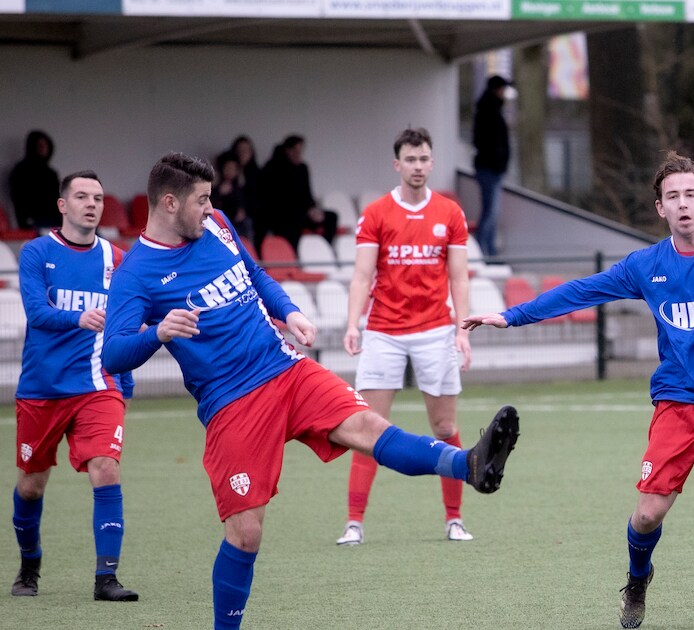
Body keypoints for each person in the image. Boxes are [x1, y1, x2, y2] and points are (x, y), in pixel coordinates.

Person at [101, 152, 519, 629]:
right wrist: (157, 333)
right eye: (201, 200)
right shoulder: (136, 273)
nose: (211, 207)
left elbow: (254, 274)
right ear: (170, 203)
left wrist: (290, 310)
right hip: (232, 403)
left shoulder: (215, 224)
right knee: (245, 534)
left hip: (286, 368)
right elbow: (113, 354)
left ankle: (467, 463)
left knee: (369, 426)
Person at [463, 151, 694, 630]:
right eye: (672, 196)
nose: (683, 204)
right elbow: (581, 290)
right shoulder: (646, 266)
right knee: (647, 515)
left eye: (690, 196)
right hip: (677, 403)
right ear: (660, 208)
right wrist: (511, 315)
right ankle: (638, 579)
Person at [337, 127, 476, 545]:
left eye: (424, 159)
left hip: (435, 330)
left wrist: (463, 330)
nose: (418, 166)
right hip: (384, 332)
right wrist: (352, 323)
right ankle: (354, 524)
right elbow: (362, 275)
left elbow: (458, 276)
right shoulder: (377, 213)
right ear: (397, 164)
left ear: (432, 163)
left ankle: (454, 519)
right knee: (368, 427)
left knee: (445, 424)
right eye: (410, 159)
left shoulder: (450, 213)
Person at [11, 170, 138, 601]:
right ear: (63, 205)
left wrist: (127, 374)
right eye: (82, 196)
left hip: (98, 385)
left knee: (106, 467)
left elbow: (125, 322)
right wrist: (77, 318)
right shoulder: (36, 252)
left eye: (99, 198)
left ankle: (107, 578)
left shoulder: (118, 259)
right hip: (42, 389)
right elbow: (35, 312)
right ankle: (30, 565)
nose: (92, 204)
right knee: (32, 483)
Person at [258, 134, 337, 253]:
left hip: (303, 213)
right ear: (287, 150)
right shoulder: (273, 168)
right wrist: (305, 210)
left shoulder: (302, 168)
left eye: (300, 150)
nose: (298, 154)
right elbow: (277, 199)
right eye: (294, 150)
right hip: (281, 215)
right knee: (294, 222)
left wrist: (313, 209)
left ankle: (325, 250)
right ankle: (294, 256)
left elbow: (307, 194)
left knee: (331, 216)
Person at [471, 75, 512, 257]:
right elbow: (485, 141)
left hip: (493, 169)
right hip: (490, 169)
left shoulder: (491, 110)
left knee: (492, 211)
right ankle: (485, 251)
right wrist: (497, 161)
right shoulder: (488, 111)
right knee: (490, 212)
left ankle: (488, 250)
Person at [8, 130, 60, 229]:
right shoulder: (21, 170)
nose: (43, 149)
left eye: (45, 146)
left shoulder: (50, 173)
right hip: (33, 220)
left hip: (54, 218)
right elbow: (19, 200)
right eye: (40, 146)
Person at [229, 136, 262, 253]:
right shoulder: (228, 174)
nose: (243, 154)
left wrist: (245, 211)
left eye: (246, 150)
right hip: (231, 218)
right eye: (240, 150)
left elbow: (259, 200)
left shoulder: (257, 174)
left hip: (252, 219)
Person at [212, 151, 253, 240]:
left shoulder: (240, 187)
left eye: (233, 168)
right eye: (228, 168)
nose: (230, 171)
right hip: (222, 223)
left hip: (239, 223)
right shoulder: (216, 188)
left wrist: (242, 210)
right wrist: (219, 193)